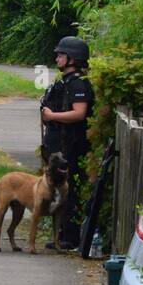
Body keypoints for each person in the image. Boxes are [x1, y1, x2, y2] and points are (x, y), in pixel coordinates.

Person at [39, 35, 95, 251]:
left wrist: (53, 116)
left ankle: (69, 237)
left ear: (73, 58)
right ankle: (61, 234)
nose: (58, 58)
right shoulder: (65, 83)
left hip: (70, 146)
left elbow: (79, 113)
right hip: (59, 145)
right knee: (59, 191)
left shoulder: (79, 83)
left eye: (62, 55)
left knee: (68, 191)